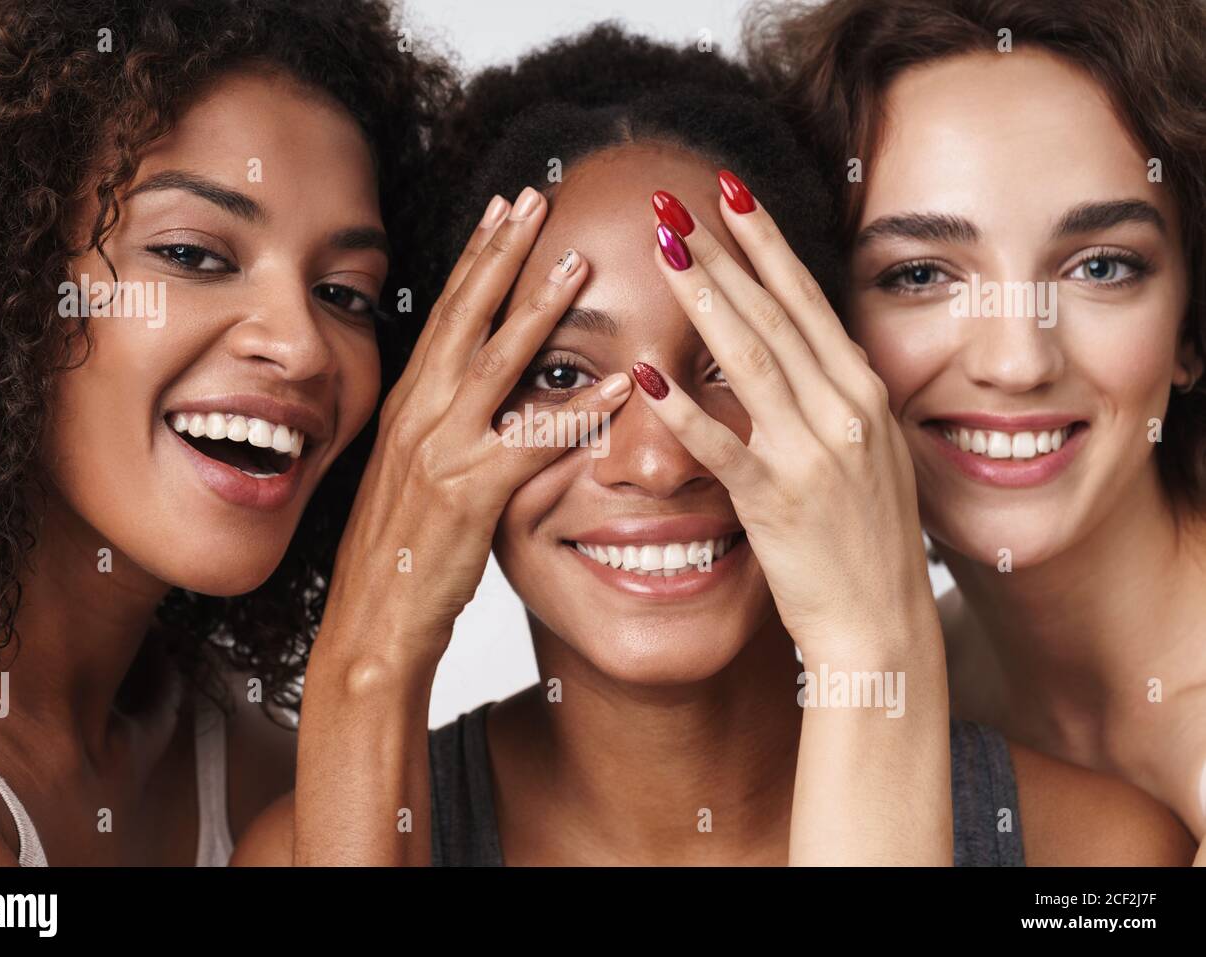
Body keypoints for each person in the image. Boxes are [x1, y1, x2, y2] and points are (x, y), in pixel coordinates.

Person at [235, 25, 1194, 866]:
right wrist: (369, 658)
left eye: (731, 361)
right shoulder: (315, 842)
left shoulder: (1100, 858)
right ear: (429, 428)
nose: (658, 461)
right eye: (563, 375)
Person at [0, 0, 453, 865]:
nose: (305, 345)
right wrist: (370, 664)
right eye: (194, 255)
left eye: (346, 292)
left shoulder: (263, 775)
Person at [748, 0, 1206, 862]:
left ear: (1190, 327)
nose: (1018, 360)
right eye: (919, 274)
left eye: (1100, 266)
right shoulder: (866, 679)